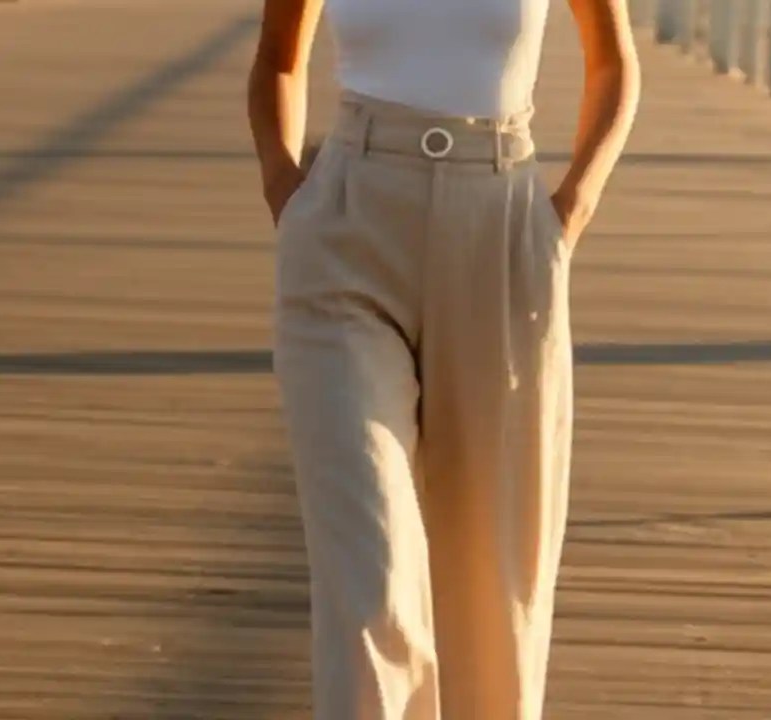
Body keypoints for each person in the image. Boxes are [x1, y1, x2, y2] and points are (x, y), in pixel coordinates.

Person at [247, 0, 639, 716]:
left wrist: (571, 211)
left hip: (501, 235)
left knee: (498, 599)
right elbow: (279, 57)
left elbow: (613, 64)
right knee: (372, 577)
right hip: (347, 239)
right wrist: (286, 190)